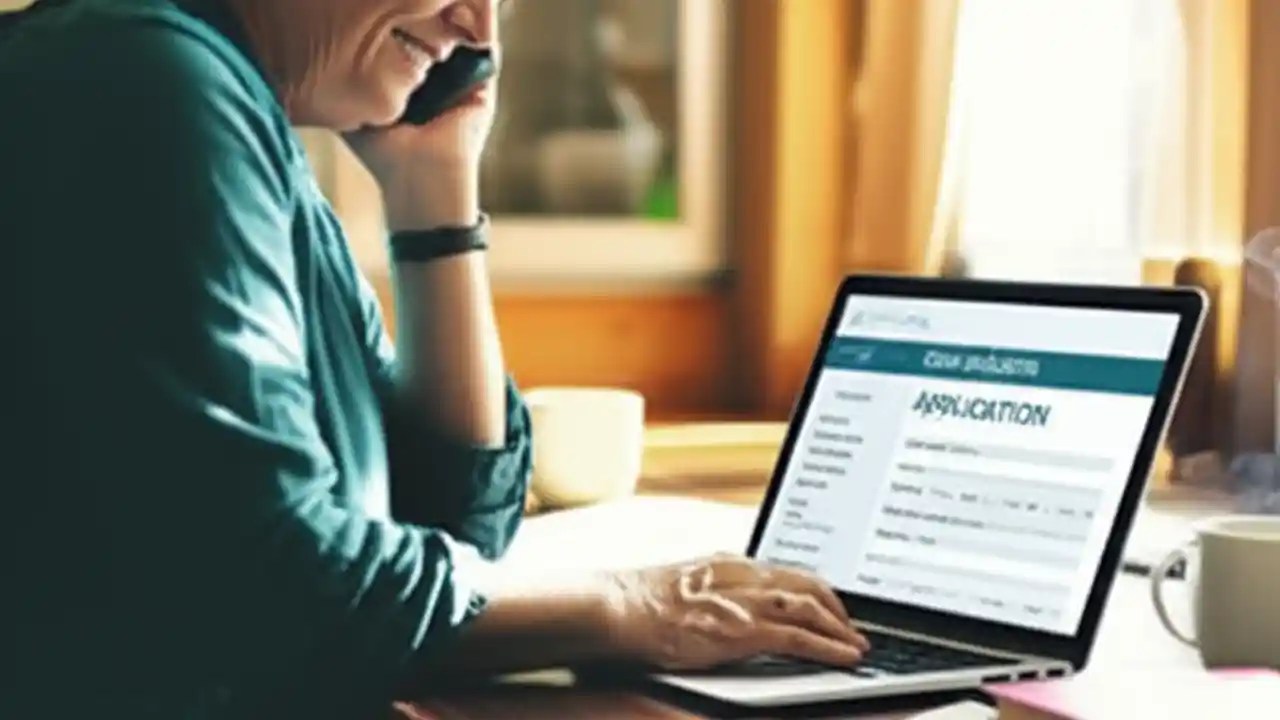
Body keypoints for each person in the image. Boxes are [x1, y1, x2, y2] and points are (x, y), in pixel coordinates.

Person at [0, 0, 868, 716]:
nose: (477, 29)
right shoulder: (142, 80)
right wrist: (625, 607)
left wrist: (434, 195)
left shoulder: (241, 116)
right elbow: (281, 583)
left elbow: (446, 533)